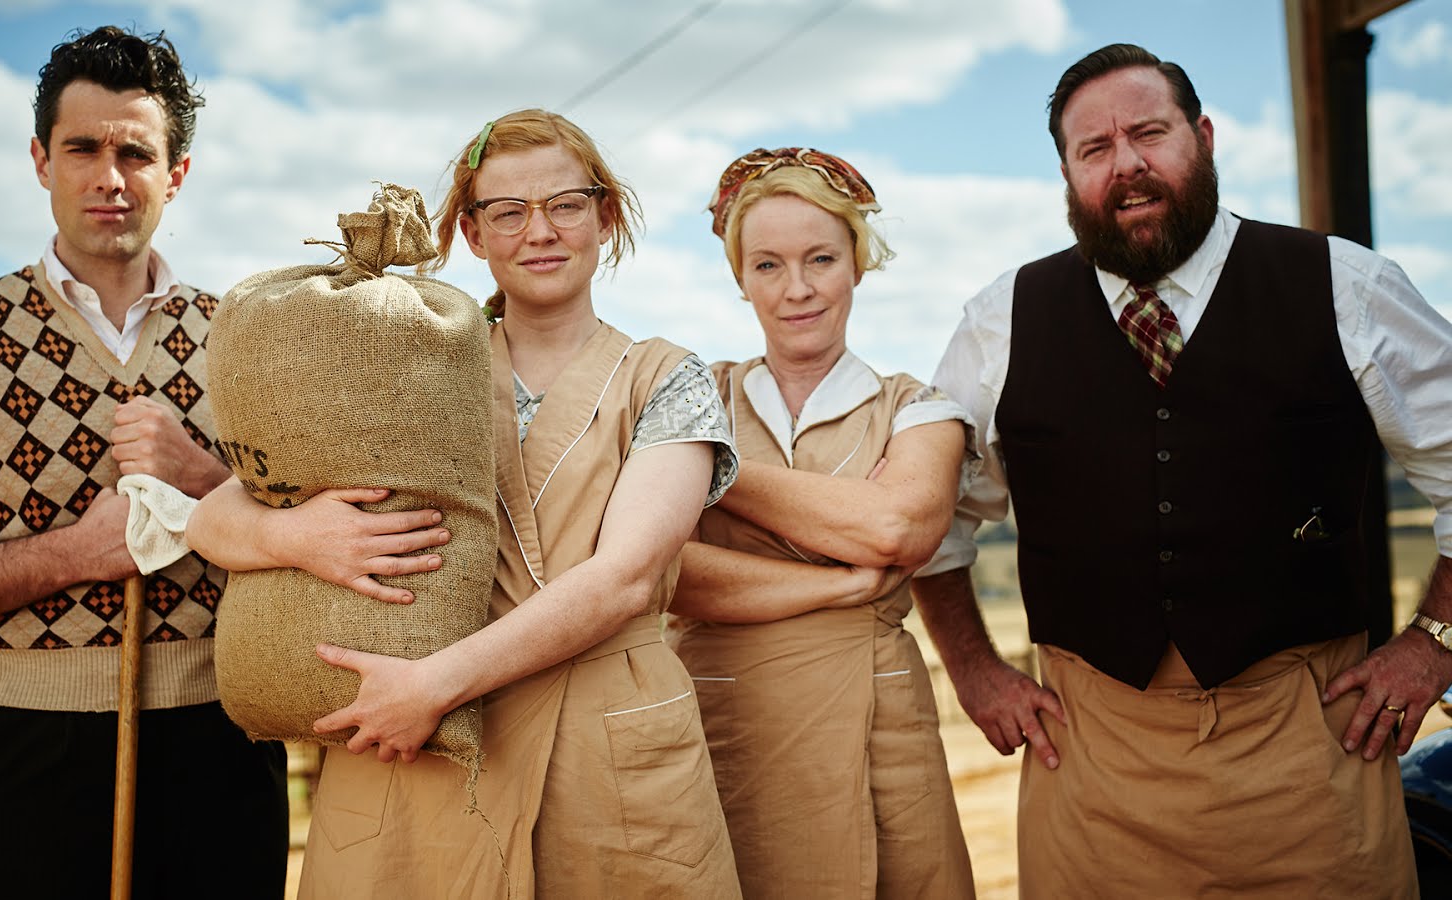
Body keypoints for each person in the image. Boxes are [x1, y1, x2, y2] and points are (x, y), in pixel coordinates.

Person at [913, 42, 1452, 898]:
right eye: (1094, 148)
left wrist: (1433, 642)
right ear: (1067, 176)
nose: (1126, 164)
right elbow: (931, 521)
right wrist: (975, 672)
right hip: (1091, 776)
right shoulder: (999, 322)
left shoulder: (1345, 286)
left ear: (1202, 137)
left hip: (1313, 767)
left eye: (1149, 133)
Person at [185, 108, 743, 898]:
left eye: (566, 204)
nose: (539, 231)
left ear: (605, 216)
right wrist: (299, 536)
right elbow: (210, 520)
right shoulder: (398, 362)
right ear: (474, 235)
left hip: (597, 741)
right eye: (508, 212)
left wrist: (434, 687)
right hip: (413, 752)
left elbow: (626, 578)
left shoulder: (667, 379)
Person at [0, 26, 288, 898]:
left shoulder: (249, 340)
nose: (109, 177)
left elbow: (314, 535)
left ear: (177, 174)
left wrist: (204, 479)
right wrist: (75, 554)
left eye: (136, 153)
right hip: (28, 760)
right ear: (41, 160)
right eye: (83, 148)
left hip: (228, 754)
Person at [664, 148, 976, 899]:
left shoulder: (918, 408)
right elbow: (666, 572)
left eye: (822, 259)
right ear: (740, 278)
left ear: (858, 263)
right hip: (722, 717)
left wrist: (711, 470)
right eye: (767, 265)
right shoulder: (689, 398)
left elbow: (895, 529)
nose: (797, 289)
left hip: (878, 724)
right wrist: (840, 586)